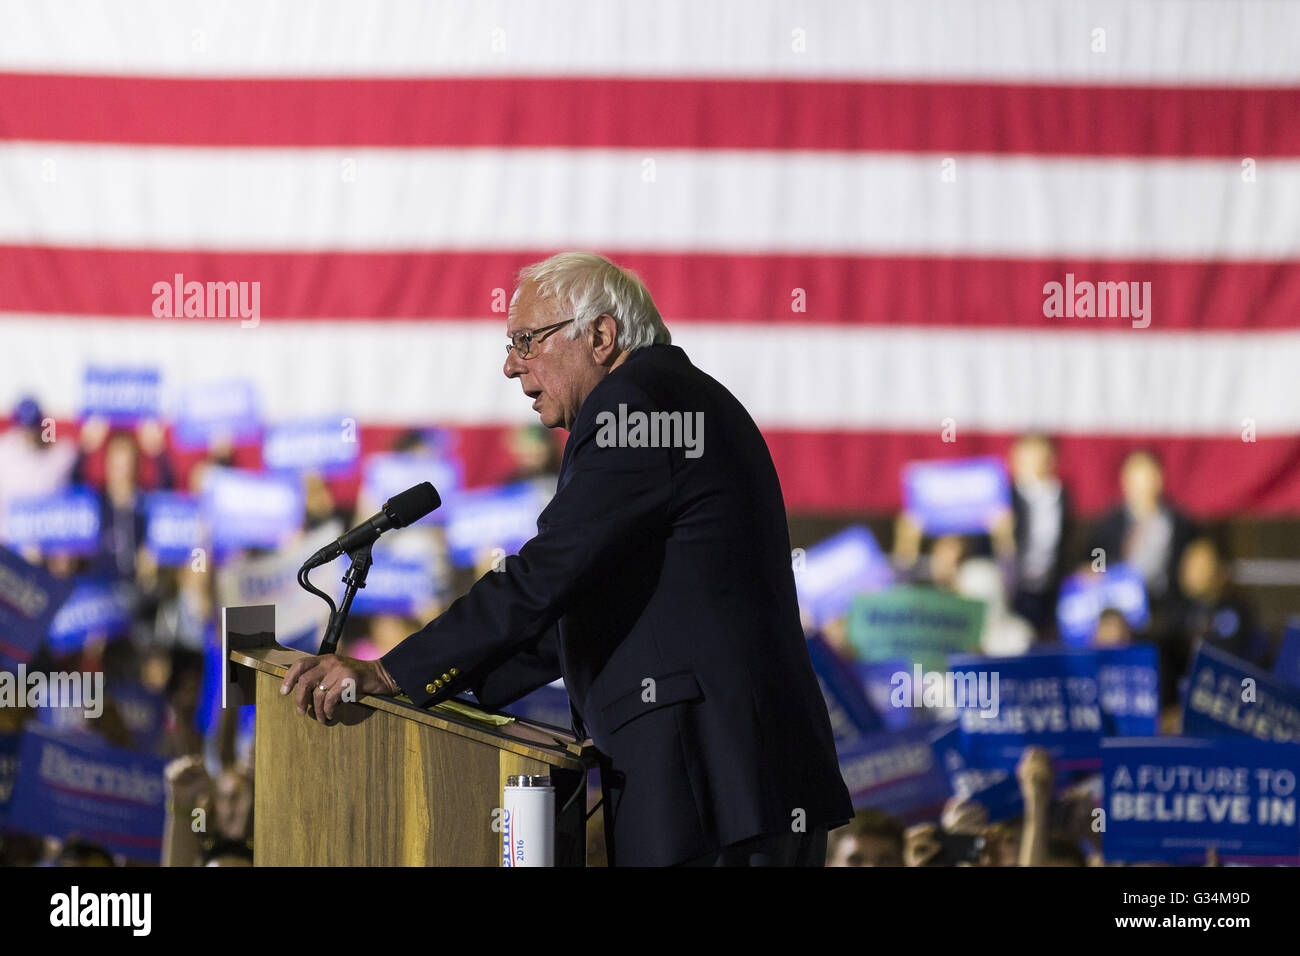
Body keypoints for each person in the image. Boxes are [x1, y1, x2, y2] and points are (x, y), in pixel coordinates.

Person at [280, 251, 853, 866]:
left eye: (525, 341)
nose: (509, 366)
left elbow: (545, 575)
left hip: (714, 783)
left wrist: (391, 673)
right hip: (739, 784)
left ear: (601, 336)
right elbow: (582, 606)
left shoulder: (639, 407)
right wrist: (441, 685)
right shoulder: (674, 400)